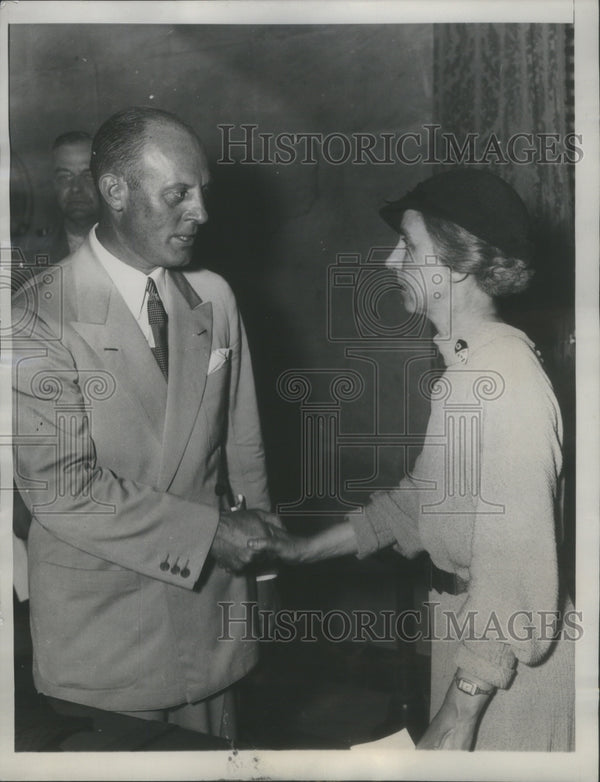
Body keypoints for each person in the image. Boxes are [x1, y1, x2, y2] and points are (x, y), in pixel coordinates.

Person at [249, 169, 575, 751]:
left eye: (410, 246)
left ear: (458, 263)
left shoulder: (503, 381)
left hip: (507, 677)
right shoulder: (470, 371)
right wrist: (301, 548)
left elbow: (515, 575)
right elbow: (420, 501)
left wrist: (458, 714)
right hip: (472, 648)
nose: (391, 261)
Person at [11, 106, 278, 739]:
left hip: (213, 619)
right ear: (116, 191)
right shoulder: (38, 316)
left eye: (202, 191)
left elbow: (245, 448)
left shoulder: (213, 296)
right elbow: (62, 492)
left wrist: (264, 573)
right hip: (105, 638)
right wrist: (213, 534)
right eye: (178, 193)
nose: (202, 213)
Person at [20, 131, 100, 266]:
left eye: (88, 176)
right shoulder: (29, 253)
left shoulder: (132, 247)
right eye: (65, 177)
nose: (76, 187)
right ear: (54, 185)